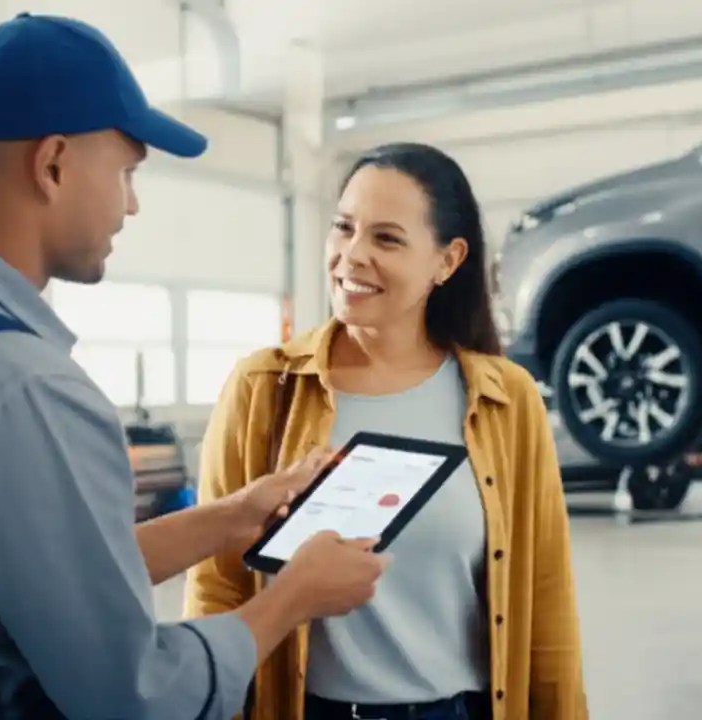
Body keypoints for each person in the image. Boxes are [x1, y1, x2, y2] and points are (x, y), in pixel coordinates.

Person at [0, 12, 386, 720]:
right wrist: (294, 599)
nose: (132, 203)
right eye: (126, 172)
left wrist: (231, 517)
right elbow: (131, 696)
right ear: (53, 164)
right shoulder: (25, 387)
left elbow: (24, 580)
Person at [185, 143, 589, 720]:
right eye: (343, 228)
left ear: (447, 262)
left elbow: (545, 599)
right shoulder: (265, 387)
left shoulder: (506, 398)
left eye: (387, 239)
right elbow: (217, 586)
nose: (352, 255)